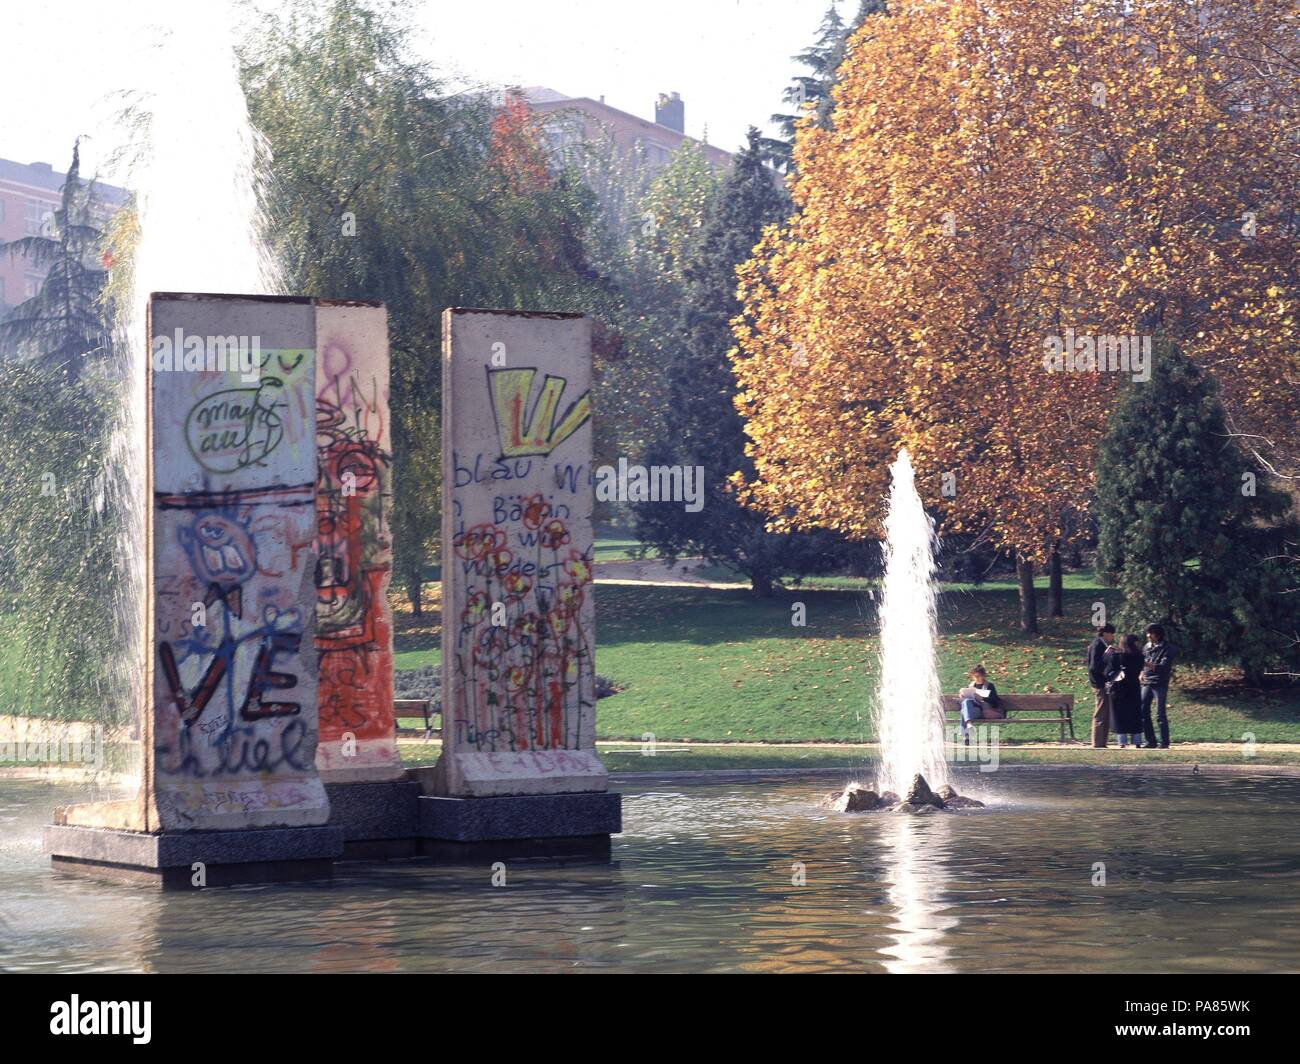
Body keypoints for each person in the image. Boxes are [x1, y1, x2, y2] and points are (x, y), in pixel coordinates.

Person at [1105, 634, 1144, 748]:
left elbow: (1108, 670)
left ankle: (1122, 741)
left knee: (1119, 715)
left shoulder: (1117, 656)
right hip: (1134, 687)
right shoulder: (1139, 656)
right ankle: (1137, 740)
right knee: (1135, 714)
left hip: (1119, 688)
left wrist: (1108, 654)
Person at [1140, 624, 1174, 748]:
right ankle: (1150, 741)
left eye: (1151, 633)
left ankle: (1164, 742)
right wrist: (1141, 672)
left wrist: (1146, 665)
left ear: (1158, 634)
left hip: (1160, 683)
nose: (1148, 636)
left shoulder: (1167, 648)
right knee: (1143, 711)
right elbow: (1144, 663)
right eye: (1147, 633)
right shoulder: (1146, 647)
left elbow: (1163, 667)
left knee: (1160, 713)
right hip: (1147, 682)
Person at [1087, 624, 1116, 748]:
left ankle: (1102, 742)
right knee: (1100, 713)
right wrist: (1107, 656)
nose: (1113, 636)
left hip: (1103, 682)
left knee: (1105, 713)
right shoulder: (1098, 644)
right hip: (1099, 683)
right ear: (1105, 633)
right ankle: (1097, 742)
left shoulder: (1102, 644)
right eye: (1111, 634)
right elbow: (1094, 666)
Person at [958, 665, 1002, 736]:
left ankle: (964, 732)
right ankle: (969, 724)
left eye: (978, 676)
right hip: (973, 710)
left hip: (983, 711)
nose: (976, 678)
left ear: (983, 675)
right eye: (974, 676)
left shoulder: (989, 686)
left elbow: (995, 703)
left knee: (963, 712)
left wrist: (982, 698)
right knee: (966, 702)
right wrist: (963, 696)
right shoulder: (971, 686)